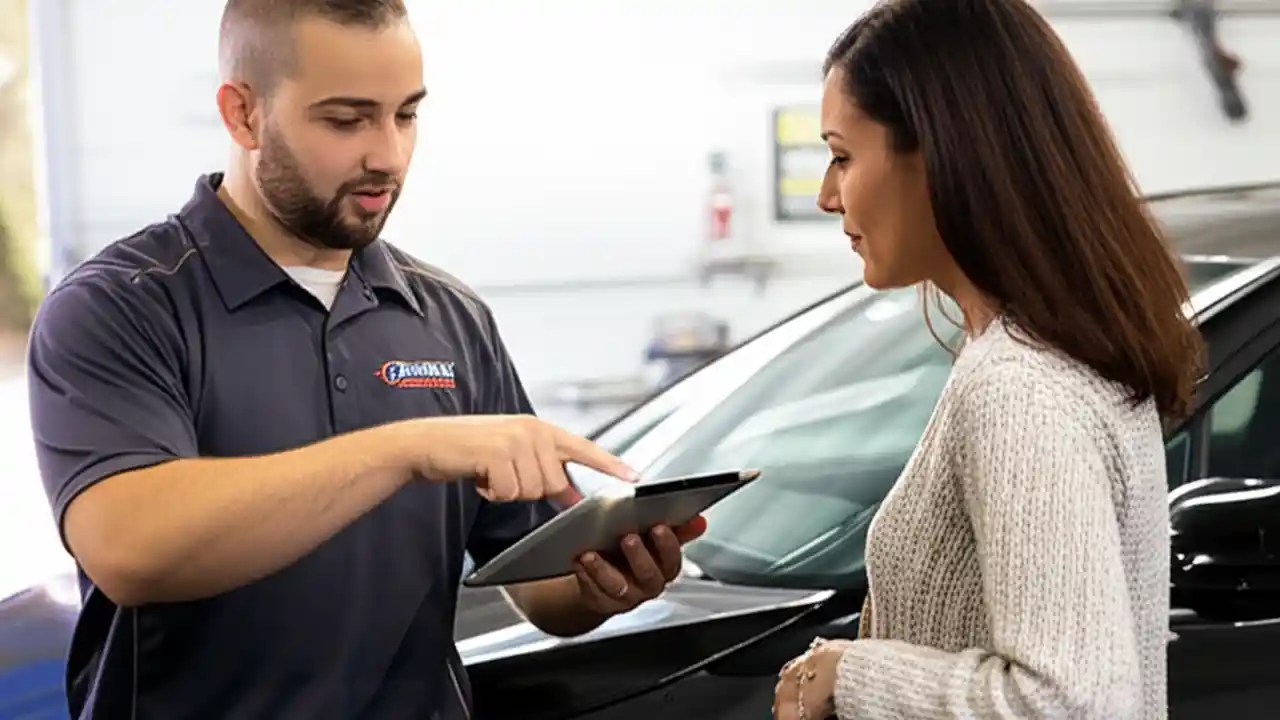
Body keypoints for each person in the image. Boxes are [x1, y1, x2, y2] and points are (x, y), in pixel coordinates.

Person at [26, 1, 703, 718]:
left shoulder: (447, 317)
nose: (388, 155)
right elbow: (131, 550)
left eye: (405, 115)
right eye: (346, 120)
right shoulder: (121, 307)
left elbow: (541, 591)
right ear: (243, 115)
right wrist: (408, 448)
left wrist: (607, 579)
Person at [771, 1, 1203, 719]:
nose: (825, 194)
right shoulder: (1034, 357)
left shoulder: (1018, 388)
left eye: (843, 156)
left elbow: (1072, 703)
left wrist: (851, 674)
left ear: (939, 152)